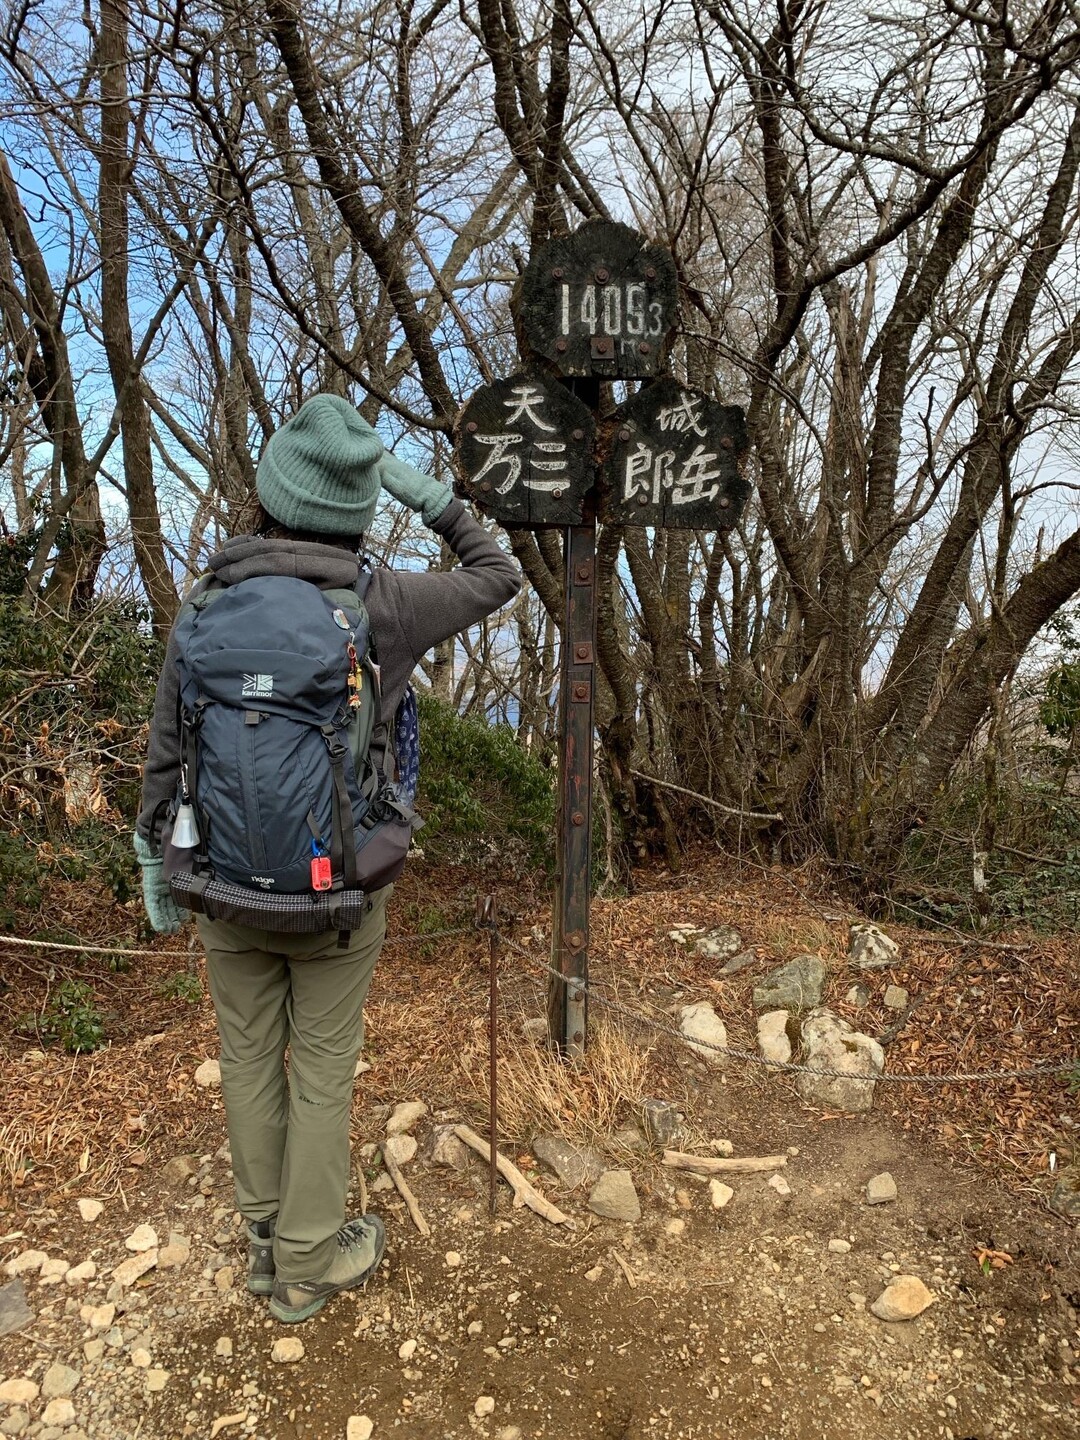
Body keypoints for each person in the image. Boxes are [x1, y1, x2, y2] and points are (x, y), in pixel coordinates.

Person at [133, 393, 520, 1323]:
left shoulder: (207, 601)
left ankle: (266, 1238)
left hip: (220, 883)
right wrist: (428, 493)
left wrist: (157, 856)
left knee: (248, 1055)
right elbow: (497, 571)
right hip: (339, 889)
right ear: (355, 502)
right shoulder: (381, 604)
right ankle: (308, 1261)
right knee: (322, 1064)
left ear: (268, 493)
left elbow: (166, 751)